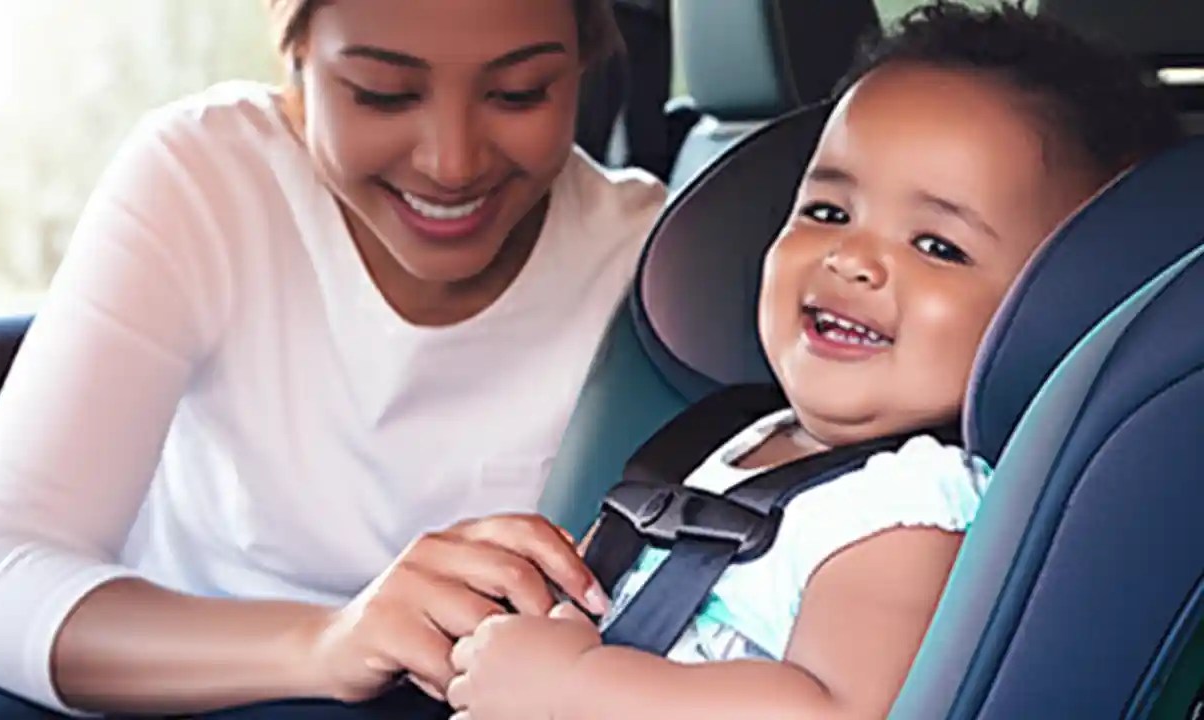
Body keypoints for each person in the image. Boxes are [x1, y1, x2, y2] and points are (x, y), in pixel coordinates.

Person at [442, 4, 1183, 719]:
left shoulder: (909, 505)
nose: (853, 258)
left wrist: (578, 686)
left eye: (937, 247)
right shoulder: (734, 438)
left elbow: (842, 712)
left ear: (1043, 310)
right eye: (828, 212)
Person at [0, 0, 665, 716]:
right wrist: (327, 643)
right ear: (300, 51)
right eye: (383, 93)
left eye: (518, 93)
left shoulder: (658, 268)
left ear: (583, 66)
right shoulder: (206, 178)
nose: (452, 161)